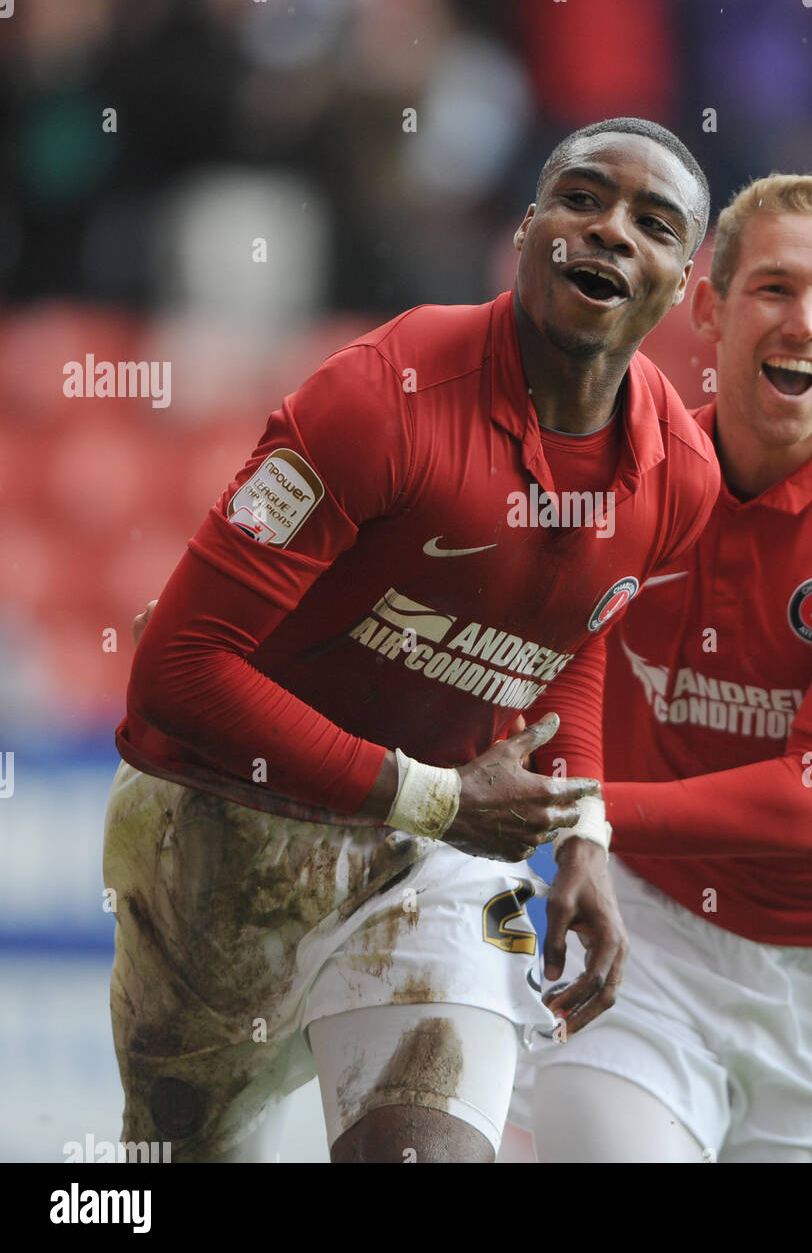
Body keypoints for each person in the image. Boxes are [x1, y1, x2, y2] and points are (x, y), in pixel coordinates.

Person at [105, 116, 721, 1163]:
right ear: (526, 230)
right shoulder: (379, 396)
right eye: (580, 199)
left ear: (680, 286)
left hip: (435, 858)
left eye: (654, 224)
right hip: (215, 832)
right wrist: (435, 794)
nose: (611, 229)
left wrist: (583, 832)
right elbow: (176, 671)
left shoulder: (682, 477)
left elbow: (575, 639)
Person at [522, 172, 812, 1163]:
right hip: (647, 927)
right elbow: (543, 654)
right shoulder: (625, 475)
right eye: (775, 287)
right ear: (708, 307)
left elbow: (811, 803)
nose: (804, 322)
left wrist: (582, 810)